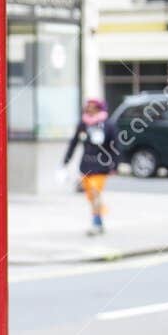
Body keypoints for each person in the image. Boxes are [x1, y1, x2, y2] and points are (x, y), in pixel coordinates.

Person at [63, 97, 118, 235]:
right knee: (90, 195)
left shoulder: (108, 124)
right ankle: (99, 219)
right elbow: (74, 142)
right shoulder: (83, 124)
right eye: (88, 106)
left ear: (99, 108)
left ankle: (96, 224)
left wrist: (114, 165)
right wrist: (66, 160)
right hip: (86, 165)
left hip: (102, 165)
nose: (89, 109)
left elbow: (116, 146)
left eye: (92, 106)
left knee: (95, 191)